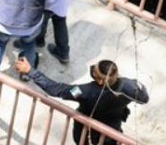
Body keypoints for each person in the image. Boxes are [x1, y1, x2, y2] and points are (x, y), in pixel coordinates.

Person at [15, 57, 149, 145]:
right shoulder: (128, 87)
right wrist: (137, 85)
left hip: (87, 132)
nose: (93, 70)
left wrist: (30, 71)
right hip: (113, 132)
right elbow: (144, 98)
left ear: (100, 81)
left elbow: (57, 89)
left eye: (94, 71)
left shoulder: (84, 91)